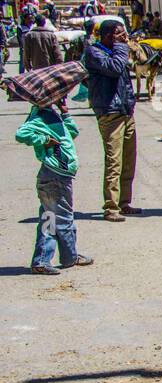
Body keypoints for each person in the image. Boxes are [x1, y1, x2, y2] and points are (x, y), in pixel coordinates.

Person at [12, 65, 93, 274]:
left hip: (57, 175)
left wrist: (65, 114)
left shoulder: (52, 114)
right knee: (63, 217)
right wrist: (44, 140)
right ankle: (69, 257)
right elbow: (22, 134)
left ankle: (42, 260)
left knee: (50, 218)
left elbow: (72, 134)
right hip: (55, 176)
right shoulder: (40, 116)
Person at [83, 17, 140, 220]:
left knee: (128, 160)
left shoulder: (117, 50)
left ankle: (124, 202)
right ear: (107, 36)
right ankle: (111, 207)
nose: (123, 37)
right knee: (114, 161)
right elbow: (115, 68)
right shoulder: (94, 52)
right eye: (118, 34)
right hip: (110, 112)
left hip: (125, 110)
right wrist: (122, 47)